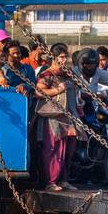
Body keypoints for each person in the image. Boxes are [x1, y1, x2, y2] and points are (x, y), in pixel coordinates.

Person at [35, 44, 79, 191]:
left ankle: (64, 180)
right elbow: (39, 92)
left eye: (65, 56)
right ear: (53, 58)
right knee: (52, 148)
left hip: (68, 116)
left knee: (69, 148)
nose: (64, 59)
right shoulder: (46, 74)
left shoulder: (68, 73)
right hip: (52, 116)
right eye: (61, 57)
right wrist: (58, 89)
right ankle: (50, 182)